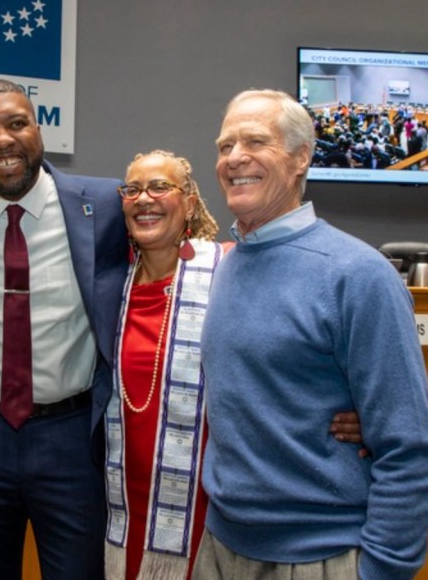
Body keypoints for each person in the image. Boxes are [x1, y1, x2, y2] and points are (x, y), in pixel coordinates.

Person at [195, 89, 428, 580]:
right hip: (221, 550)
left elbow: (411, 451)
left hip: (319, 558)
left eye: (255, 141)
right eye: (225, 146)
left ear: (301, 158)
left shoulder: (358, 275)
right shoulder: (229, 264)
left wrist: (380, 571)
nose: (235, 158)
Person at [105, 150, 365, 580]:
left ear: (190, 203)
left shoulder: (230, 266)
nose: (144, 199)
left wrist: (360, 408)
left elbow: (296, 339)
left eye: (160, 187)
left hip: (211, 492)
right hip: (123, 491)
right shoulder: (109, 283)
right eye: (132, 190)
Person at [0, 78, 129, 578]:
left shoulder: (105, 206)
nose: (2, 140)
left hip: (71, 439)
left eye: (16, 123)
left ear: (40, 130)